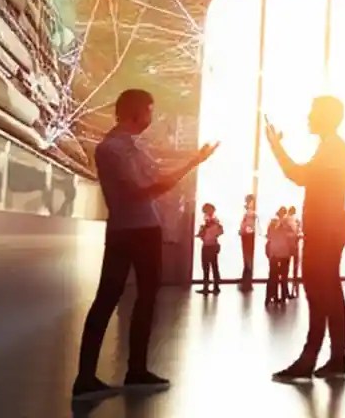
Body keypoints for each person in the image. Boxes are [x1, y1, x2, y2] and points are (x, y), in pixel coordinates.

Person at [72, 89, 219, 400]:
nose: (151, 118)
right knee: (138, 298)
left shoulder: (120, 147)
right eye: (149, 112)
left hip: (123, 229)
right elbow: (149, 186)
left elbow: (152, 180)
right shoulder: (117, 149)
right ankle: (127, 371)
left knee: (114, 298)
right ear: (136, 112)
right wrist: (194, 162)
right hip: (139, 230)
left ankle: (98, 375)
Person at [266, 96, 345, 381]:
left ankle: (311, 358)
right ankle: (332, 358)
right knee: (326, 291)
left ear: (327, 117)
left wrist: (275, 146)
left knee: (320, 291)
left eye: (313, 112)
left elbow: (299, 175)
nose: (308, 117)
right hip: (329, 229)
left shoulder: (333, 149)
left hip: (325, 231)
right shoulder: (332, 148)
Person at [266, 207, 293, 305]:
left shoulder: (272, 223)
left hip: (274, 253)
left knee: (273, 276)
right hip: (284, 253)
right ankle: (283, 296)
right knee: (284, 276)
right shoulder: (287, 224)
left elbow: (268, 236)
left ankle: (271, 296)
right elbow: (291, 236)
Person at [196, 202, 224, 295]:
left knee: (206, 267)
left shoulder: (209, 221)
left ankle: (207, 287)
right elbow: (220, 231)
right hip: (213, 244)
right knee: (214, 266)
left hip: (208, 245)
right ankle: (216, 286)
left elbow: (202, 233)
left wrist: (203, 233)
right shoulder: (216, 221)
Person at [240, 194, 257, 292]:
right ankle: (246, 281)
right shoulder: (248, 212)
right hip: (246, 236)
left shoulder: (250, 213)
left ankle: (247, 282)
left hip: (247, 236)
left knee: (248, 259)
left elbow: (249, 226)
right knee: (247, 259)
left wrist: (245, 231)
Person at [287, 206, 303, 298]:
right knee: (295, 267)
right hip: (295, 246)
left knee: (288, 266)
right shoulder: (296, 221)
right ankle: (295, 282)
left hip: (289, 247)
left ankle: (291, 284)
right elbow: (299, 232)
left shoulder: (287, 221)